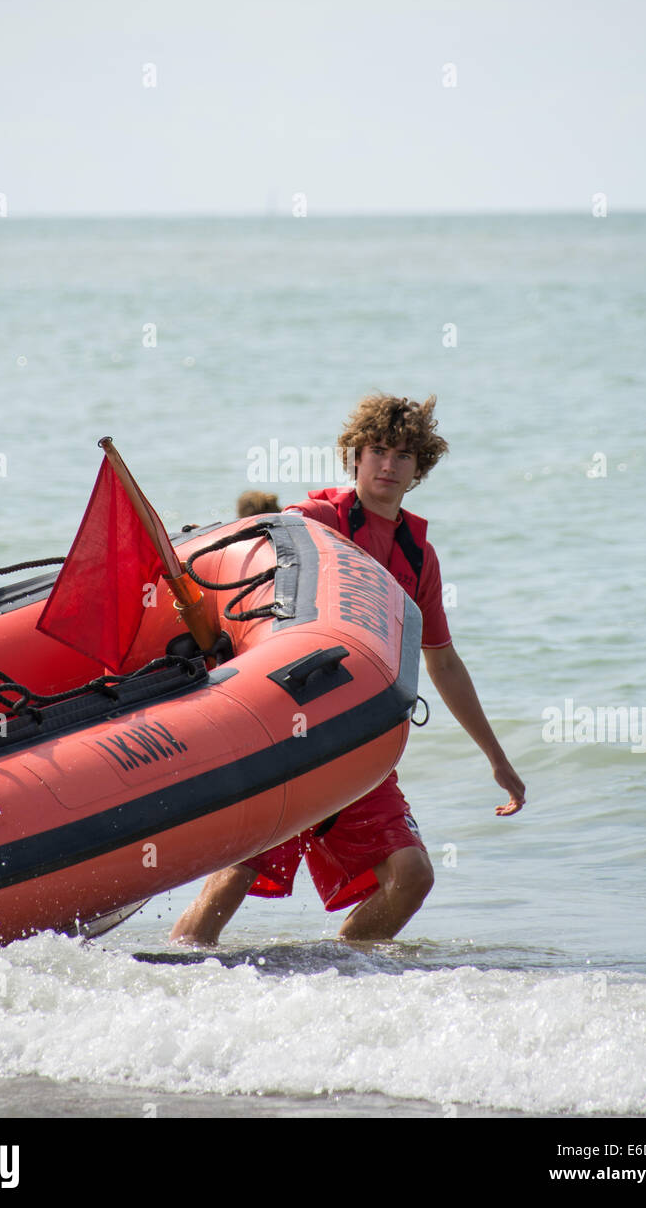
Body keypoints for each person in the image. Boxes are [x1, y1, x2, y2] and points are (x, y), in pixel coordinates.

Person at [170, 394, 525, 945]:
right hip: (283, 736)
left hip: (358, 746)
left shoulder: (417, 557)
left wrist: (496, 758)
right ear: (355, 458)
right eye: (378, 450)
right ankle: (177, 975)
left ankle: (340, 975)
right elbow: (254, 544)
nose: (389, 465)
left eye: (404, 455)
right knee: (238, 874)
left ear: (419, 470)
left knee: (412, 877)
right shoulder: (317, 522)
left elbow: (445, 662)